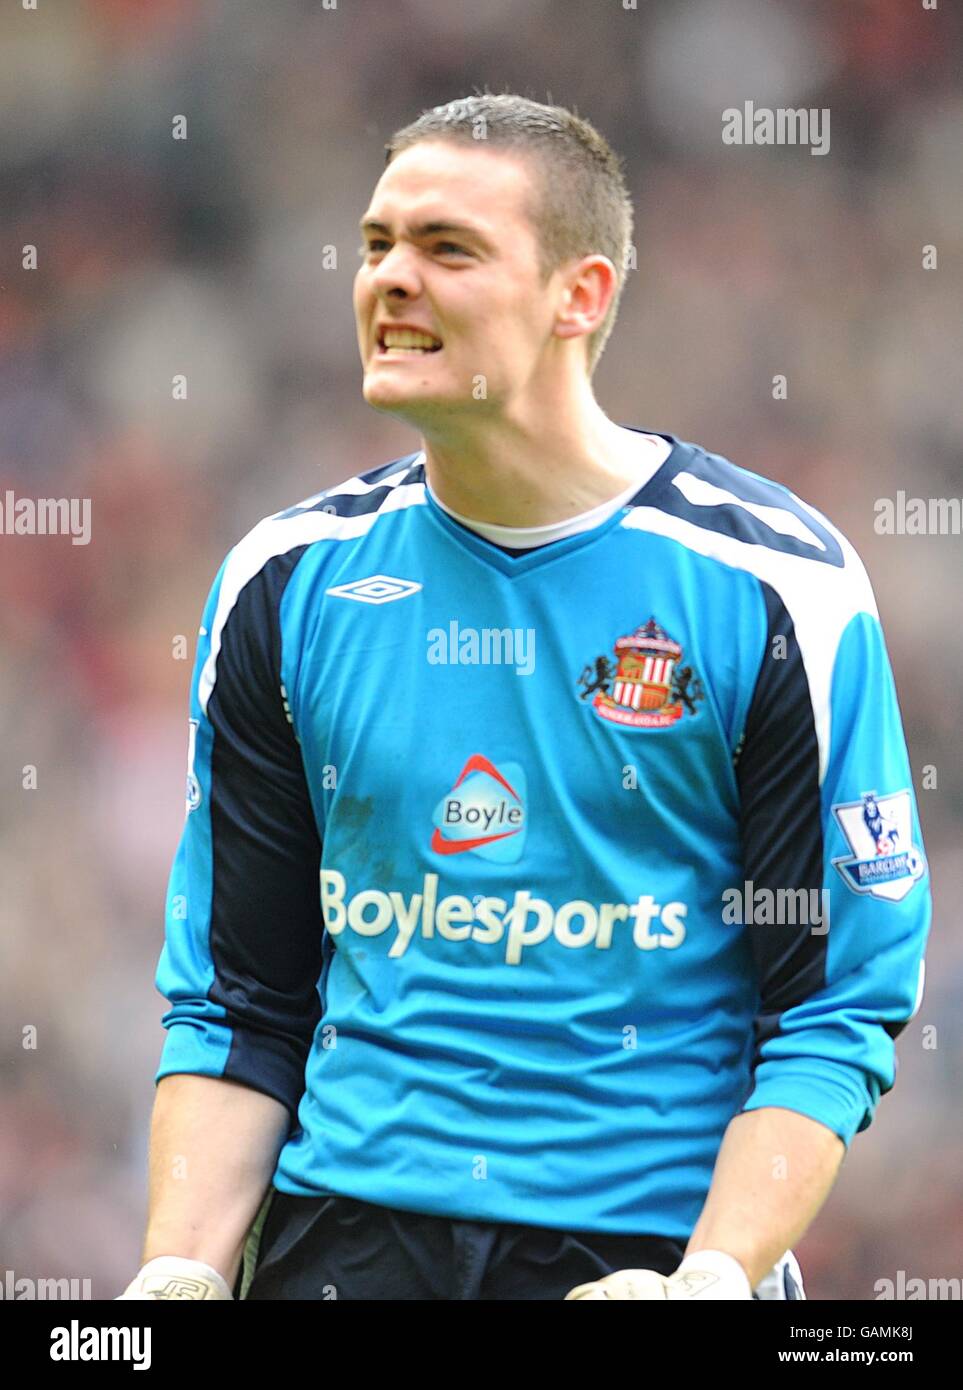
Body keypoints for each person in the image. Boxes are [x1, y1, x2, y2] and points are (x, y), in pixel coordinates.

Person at [120, 94, 931, 1302]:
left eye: (448, 249)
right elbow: (241, 999)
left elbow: (831, 1011)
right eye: (378, 243)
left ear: (581, 296)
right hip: (340, 1242)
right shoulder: (284, 583)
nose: (392, 278)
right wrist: (175, 1268)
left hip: (636, 1255)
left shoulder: (775, 590)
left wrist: (714, 1277)